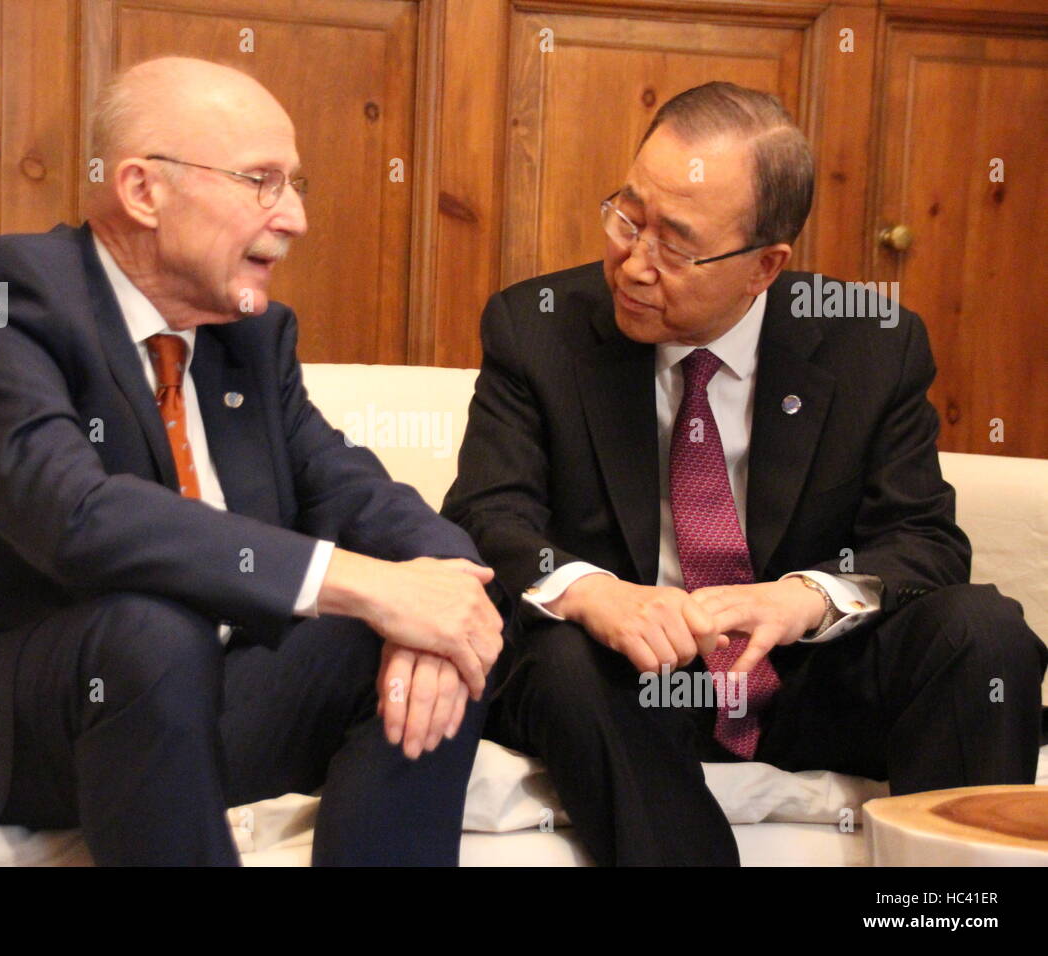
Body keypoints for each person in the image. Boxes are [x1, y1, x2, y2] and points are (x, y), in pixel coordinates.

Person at [0, 56, 504, 866]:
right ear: (144, 189)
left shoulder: (251, 339)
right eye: (262, 181)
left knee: (439, 640)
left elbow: (349, 484)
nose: (294, 219)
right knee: (150, 630)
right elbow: (72, 513)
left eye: (294, 186)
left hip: (169, 706)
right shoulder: (7, 296)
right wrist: (370, 584)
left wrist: (446, 581)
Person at [442, 81, 1046, 866]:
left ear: (766, 265)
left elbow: (924, 542)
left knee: (984, 632)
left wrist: (807, 598)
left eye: (677, 244)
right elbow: (487, 517)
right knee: (561, 657)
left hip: (802, 681)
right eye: (628, 215)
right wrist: (595, 593)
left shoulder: (874, 342)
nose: (633, 261)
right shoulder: (537, 328)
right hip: (628, 686)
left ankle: (945, 916)